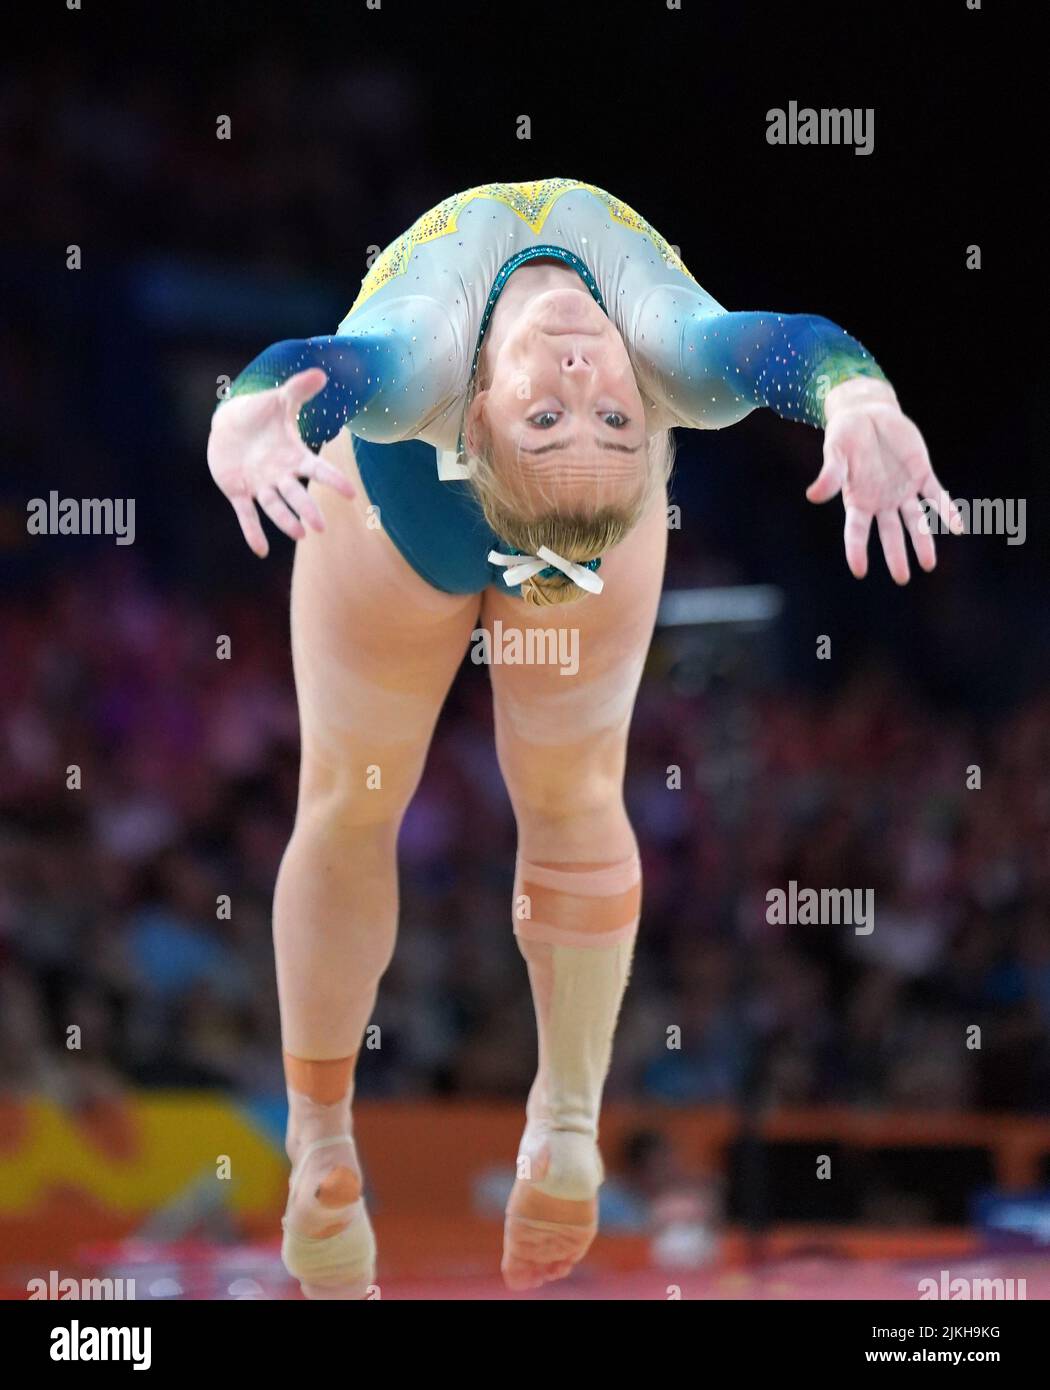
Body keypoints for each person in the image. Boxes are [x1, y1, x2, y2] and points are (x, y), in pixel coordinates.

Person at [206, 178, 959, 1298]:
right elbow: (786, 348)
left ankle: (328, 1147)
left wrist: (253, 411)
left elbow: (318, 369)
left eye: (566, 415)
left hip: (406, 525)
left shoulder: (428, 359)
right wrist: (851, 397)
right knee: (571, 795)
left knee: (349, 802)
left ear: (473, 421)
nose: (583, 379)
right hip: (533, 533)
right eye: (608, 415)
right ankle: (558, 1123)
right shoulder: (660, 353)